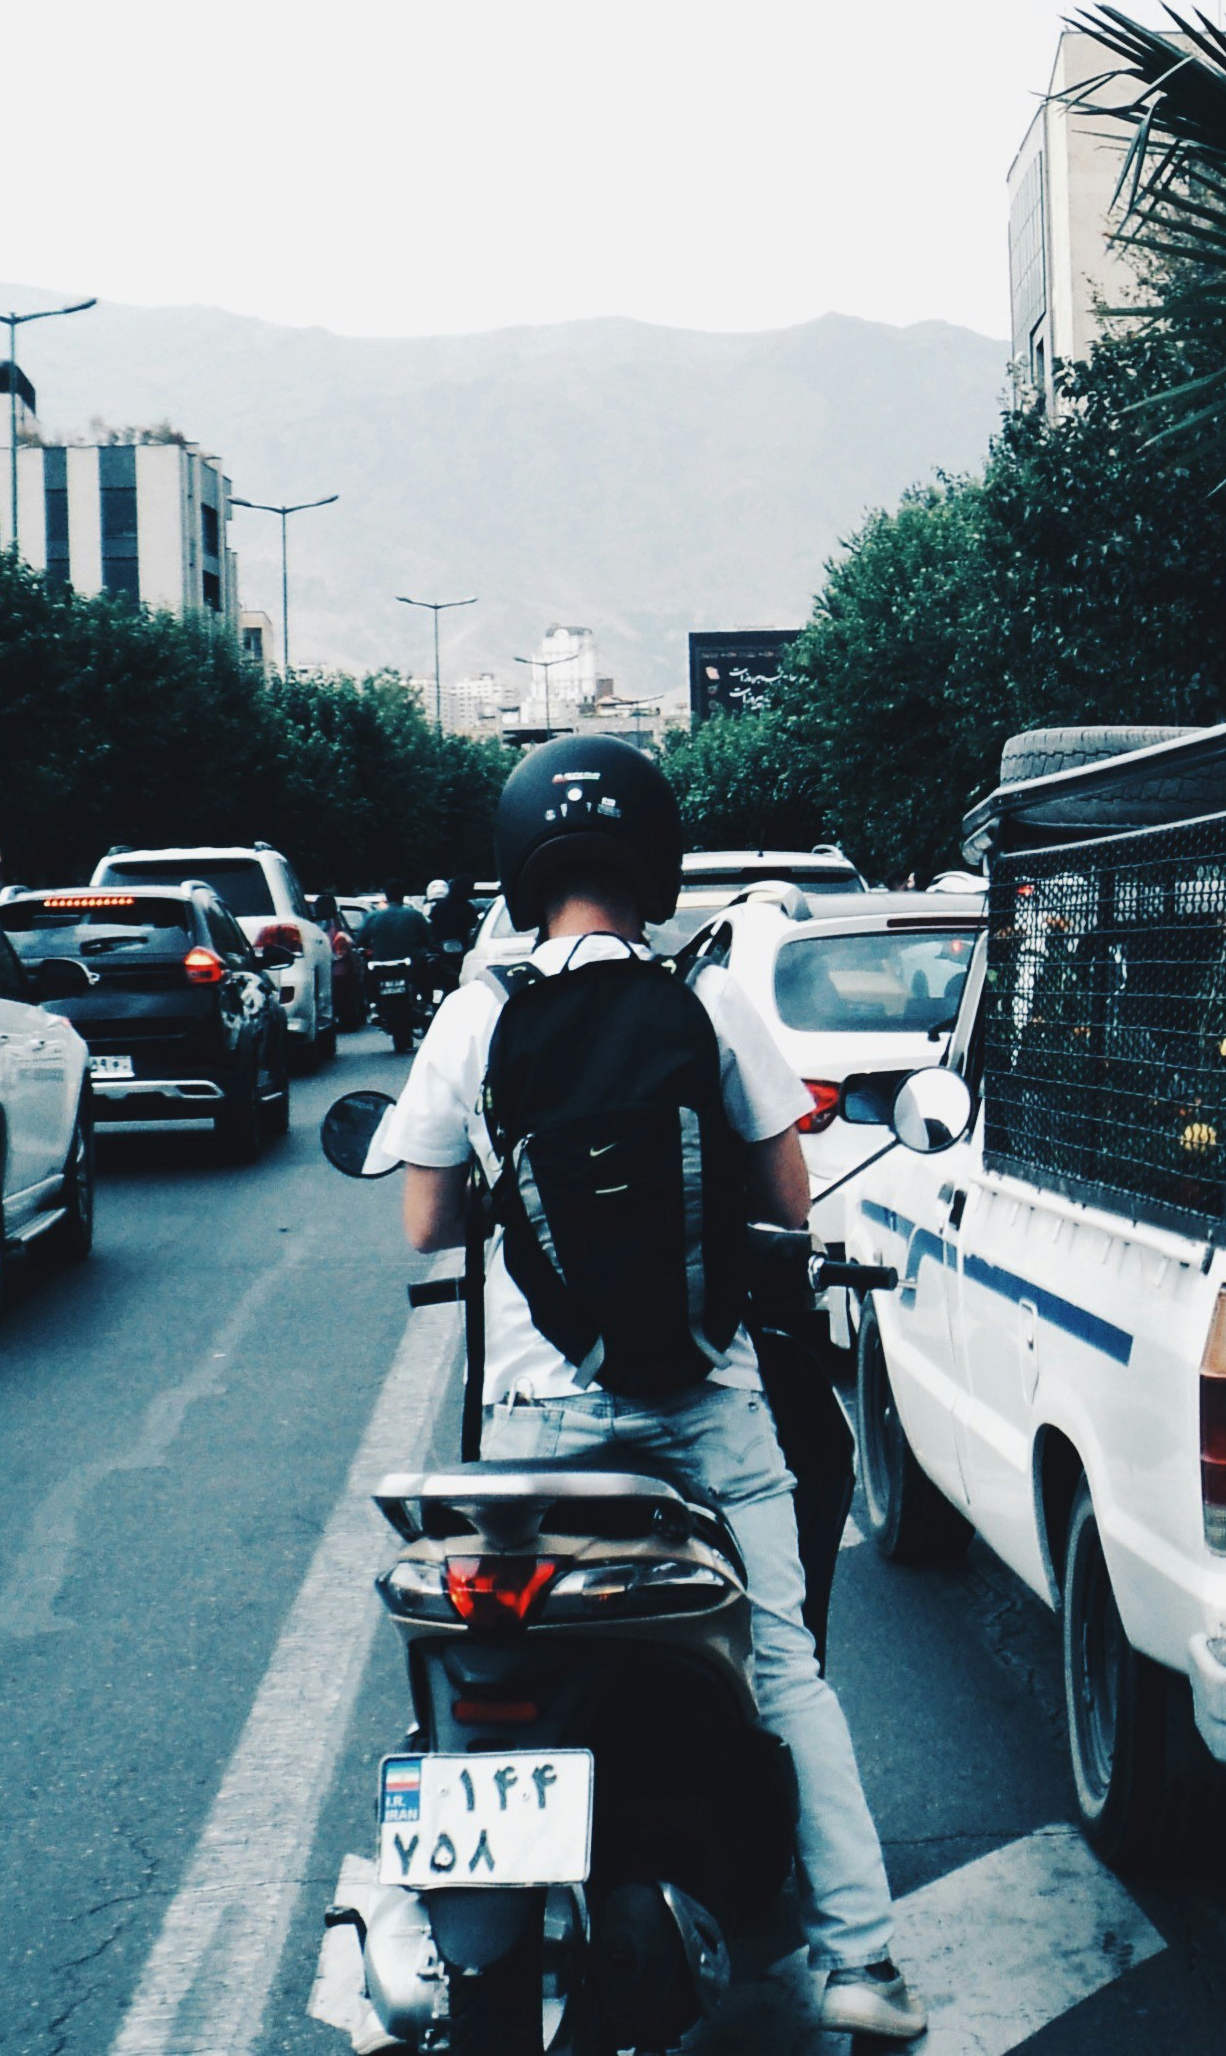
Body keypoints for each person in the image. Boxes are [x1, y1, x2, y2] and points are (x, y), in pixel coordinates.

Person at [375, 737, 925, 2040]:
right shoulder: (710, 999)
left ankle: (445, 1941)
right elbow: (784, 1197)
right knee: (783, 1660)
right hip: (706, 1415)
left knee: (476, 1652)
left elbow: (423, 1219)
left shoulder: (477, 1015)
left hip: (534, 1425)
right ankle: (861, 1959)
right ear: (653, 866)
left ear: (522, 869)